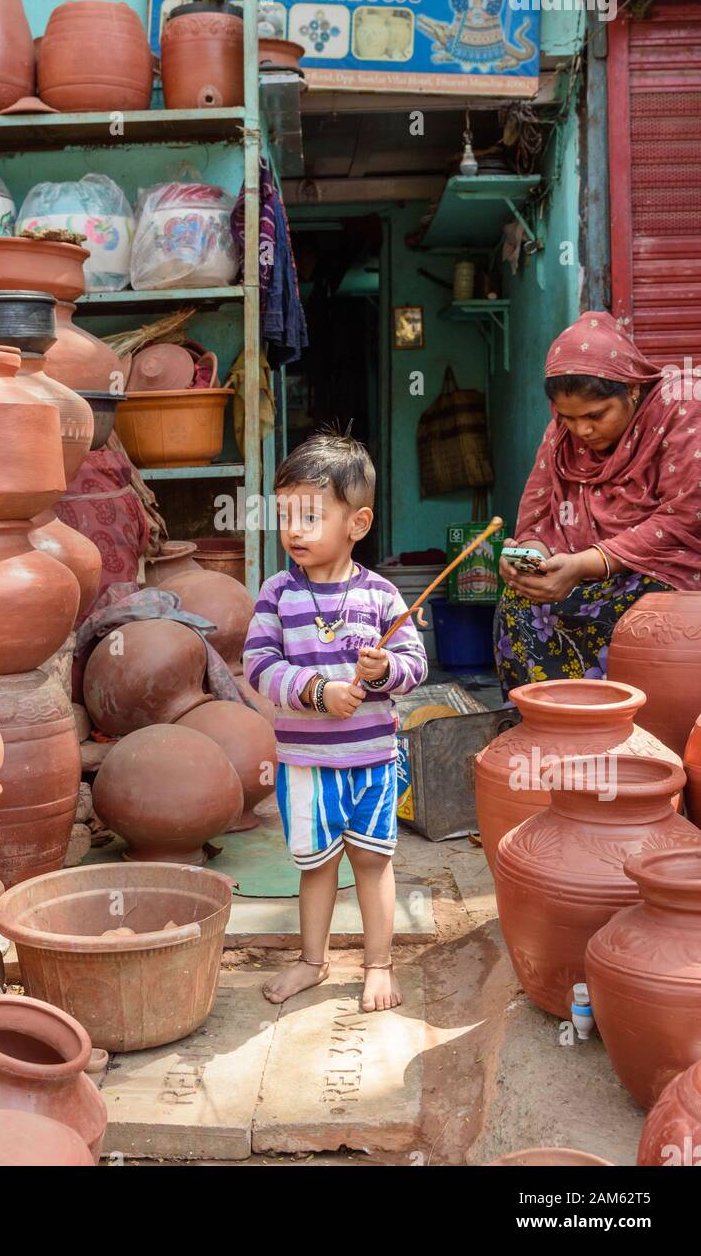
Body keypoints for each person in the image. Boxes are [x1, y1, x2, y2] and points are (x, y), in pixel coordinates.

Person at [243, 431, 427, 1012]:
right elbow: (258, 665)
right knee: (317, 866)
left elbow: (415, 665)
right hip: (306, 764)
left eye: (311, 516)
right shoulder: (276, 595)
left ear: (358, 522)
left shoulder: (381, 596)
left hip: (371, 759)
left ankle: (378, 965)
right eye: (286, 516)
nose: (294, 530)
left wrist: (381, 672)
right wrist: (317, 692)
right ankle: (312, 962)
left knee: (373, 862)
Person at [495, 311, 701, 693]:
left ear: (632, 390)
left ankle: (630, 734)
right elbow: (539, 517)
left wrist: (587, 564)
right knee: (520, 603)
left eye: (596, 415)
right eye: (568, 418)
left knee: (648, 619)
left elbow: (685, 517)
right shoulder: (564, 432)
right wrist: (531, 558)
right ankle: (547, 733)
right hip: (584, 570)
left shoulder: (682, 407)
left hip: (667, 573)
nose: (582, 430)